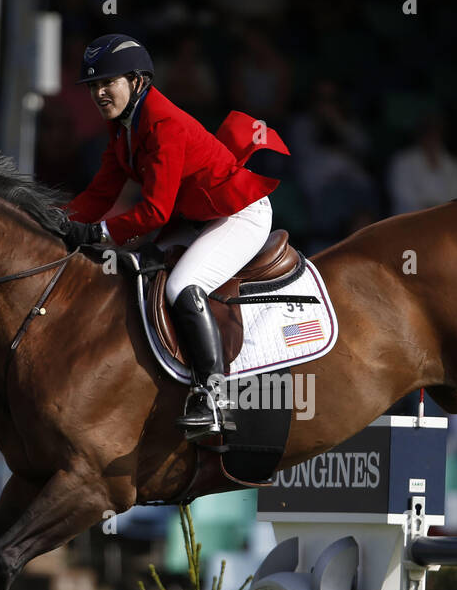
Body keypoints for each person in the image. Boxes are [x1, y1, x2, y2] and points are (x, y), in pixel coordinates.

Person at [60, 34, 287, 440]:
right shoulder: (124, 130)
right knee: (136, 275)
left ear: (138, 82)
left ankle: (214, 399)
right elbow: (98, 195)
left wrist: (99, 232)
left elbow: (154, 212)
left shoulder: (163, 124)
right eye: (93, 86)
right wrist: (49, 221)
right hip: (199, 216)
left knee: (183, 285)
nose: (98, 93)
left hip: (240, 214)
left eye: (106, 83)